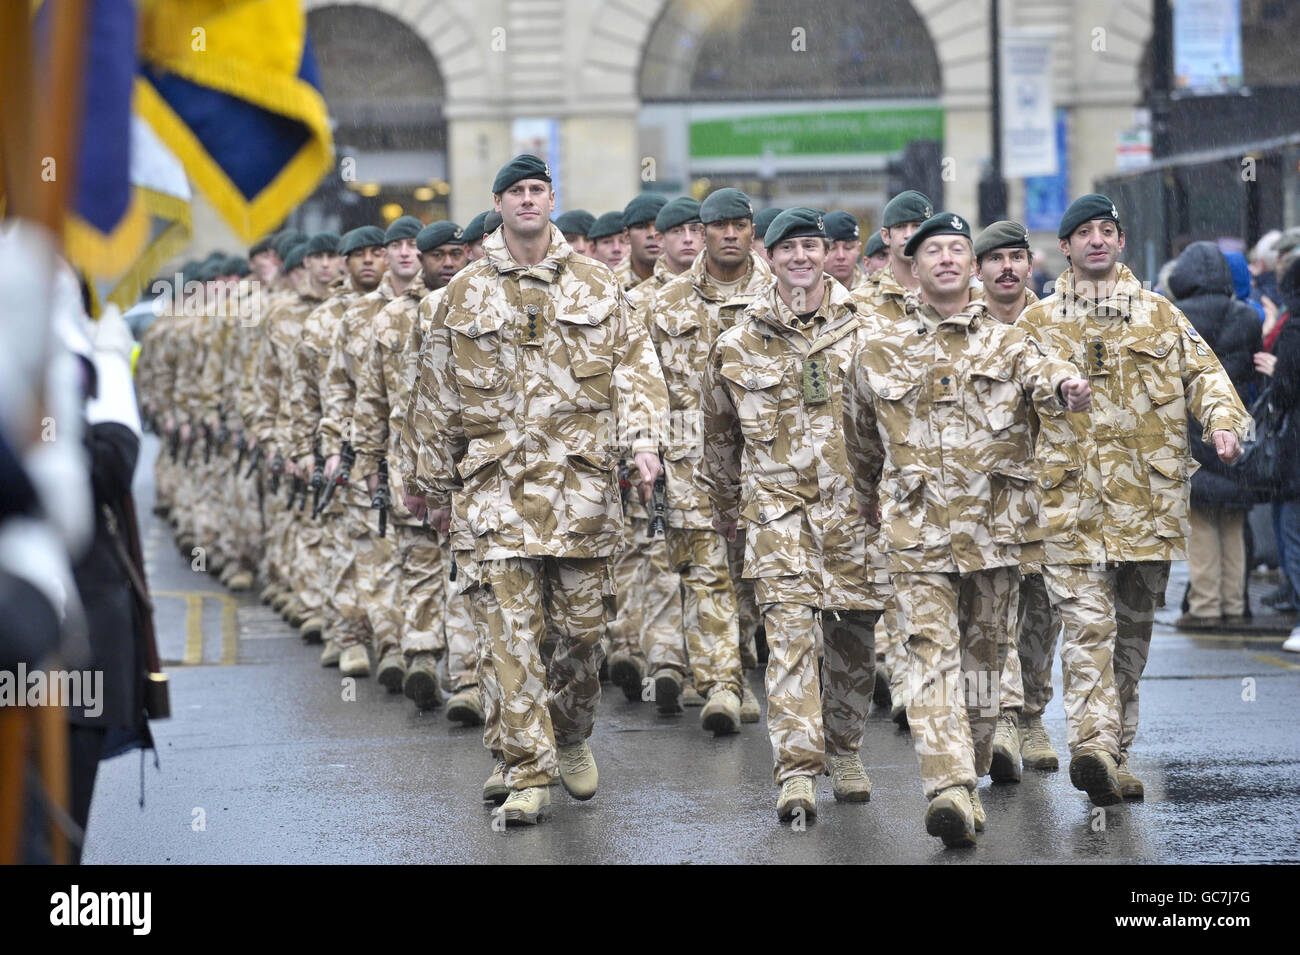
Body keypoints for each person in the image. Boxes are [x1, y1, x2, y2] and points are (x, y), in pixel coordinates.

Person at [405, 154, 669, 826]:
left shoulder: (598, 286)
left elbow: (637, 370)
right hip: (494, 496)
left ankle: (570, 729)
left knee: (583, 637)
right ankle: (527, 770)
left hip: (580, 493)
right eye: (515, 191)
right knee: (510, 639)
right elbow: (434, 396)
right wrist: (428, 485)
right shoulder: (460, 295)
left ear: (552, 199)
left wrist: (643, 443)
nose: (527, 200)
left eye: (537, 190)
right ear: (498, 203)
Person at [845, 211, 1092, 847]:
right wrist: (871, 497)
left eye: (960, 248)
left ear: (971, 263)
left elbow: (1049, 376)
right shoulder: (877, 349)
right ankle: (948, 786)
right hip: (917, 532)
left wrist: (1068, 386)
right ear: (914, 264)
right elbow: (860, 435)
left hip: (995, 532)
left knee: (984, 670)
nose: (949, 259)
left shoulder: (1010, 342)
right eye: (936, 251)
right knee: (929, 656)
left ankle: (973, 767)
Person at [1018, 194, 1251, 805]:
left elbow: (1208, 377)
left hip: (1147, 507)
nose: (1097, 240)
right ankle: (1092, 746)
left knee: (1132, 635)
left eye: (1107, 231)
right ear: (1064, 247)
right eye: (1084, 233)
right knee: (1087, 627)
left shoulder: (1159, 316)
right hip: (1068, 508)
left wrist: (1224, 423)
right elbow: (1004, 407)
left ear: (1120, 243)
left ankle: (1115, 751)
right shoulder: (1037, 325)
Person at [697, 208, 887, 820]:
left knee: (854, 638)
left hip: (857, 515)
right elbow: (719, 439)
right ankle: (798, 772)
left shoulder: (872, 329)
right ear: (768, 257)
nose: (802, 257)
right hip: (778, 519)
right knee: (790, 643)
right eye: (789, 248)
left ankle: (847, 750)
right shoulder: (735, 341)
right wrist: (728, 510)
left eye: (812, 246)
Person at [641, 187, 771, 731]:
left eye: (741, 224)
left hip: (768, 458)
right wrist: (643, 445)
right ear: (704, 229)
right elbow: (642, 380)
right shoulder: (666, 301)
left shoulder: (781, 291)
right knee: (705, 572)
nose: (731, 234)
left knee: (756, 577)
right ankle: (720, 684)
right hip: (689, 456)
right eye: (720, 225)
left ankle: (741, 666)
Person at [973, 220, 1062, 781]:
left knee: (1042, 611)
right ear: (979, 269)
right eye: (995, 259)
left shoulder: (1053, 324)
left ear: (1030, 264)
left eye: (1015, 257)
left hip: (1049, 490)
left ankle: (1032, 714)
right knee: (992, 610)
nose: (1006, 267)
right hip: (981, 494)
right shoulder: (960, 325)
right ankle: (1003, 718)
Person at [1165, 242, 1262, 627]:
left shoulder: (1176, 317)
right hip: (1236, 424)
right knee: (1234, 522)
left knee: (1202, 522)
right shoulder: (1246, 317)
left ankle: (1205, 606)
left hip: (1192, 427)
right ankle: (1234, 603)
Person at [823, 210, 866, 289]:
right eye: (832, 248)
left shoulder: (876, 292)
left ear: (859, 249)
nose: (841, 256)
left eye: (848, 247)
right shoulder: (806, 292)